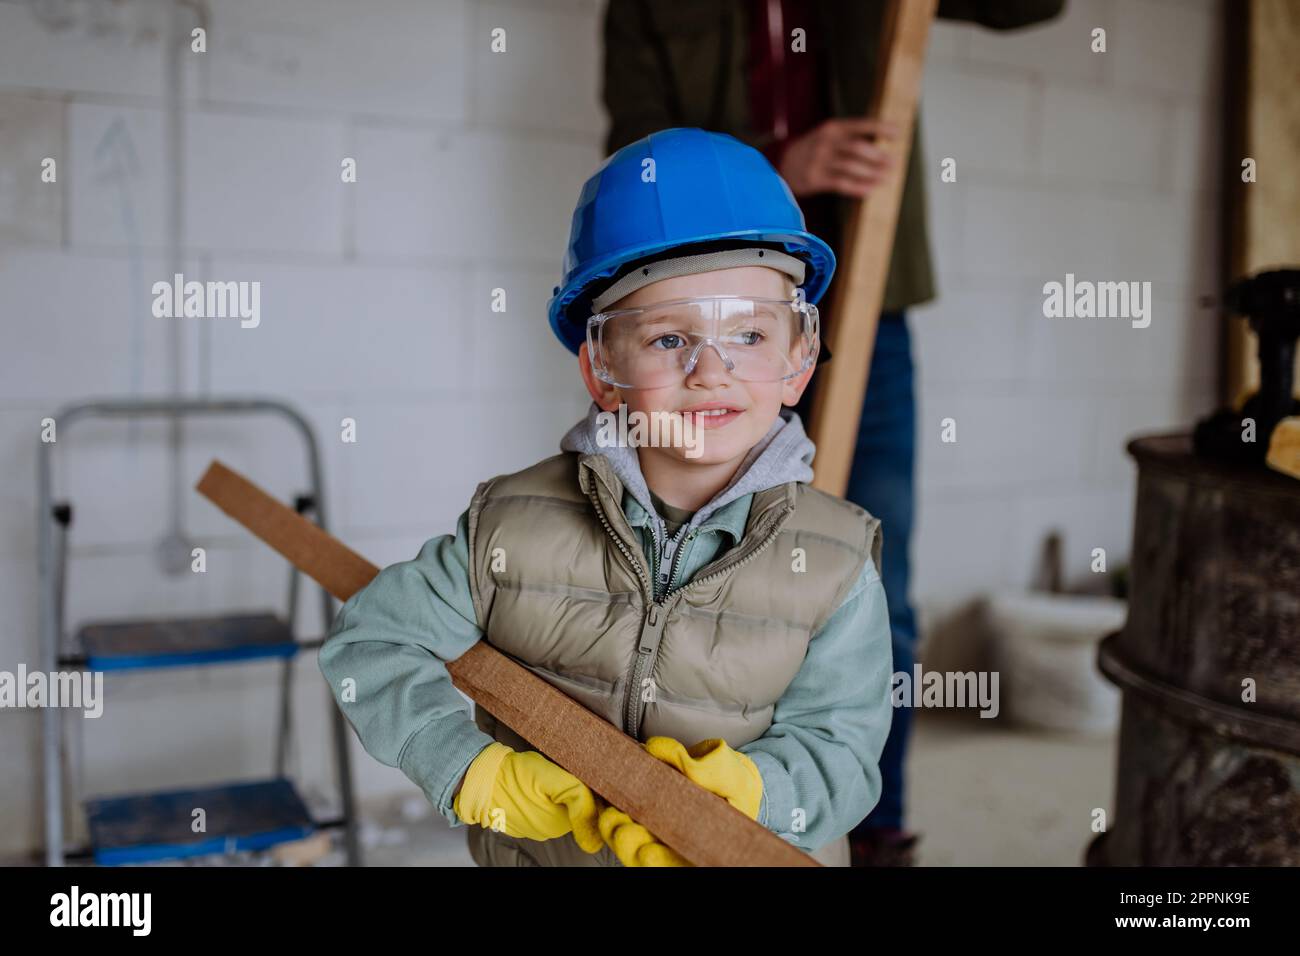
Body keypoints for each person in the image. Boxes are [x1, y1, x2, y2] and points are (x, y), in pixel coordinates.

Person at [319, 127, 893, 866]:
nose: (711, 371)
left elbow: (842, 751)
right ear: (600, 366)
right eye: (666, 340)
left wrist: (750, 796)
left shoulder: (838, 563)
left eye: (749, 335)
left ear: (799, 358)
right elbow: (371, 645)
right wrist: (472, 772)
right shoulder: (509, 527)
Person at [602, 0, 1066, 865]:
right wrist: (783, 164)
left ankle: (877, 832)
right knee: (690, 570)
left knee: (876, 586)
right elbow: (636, 157)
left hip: (869, 301)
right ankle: (710, 812)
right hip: (710, 311)